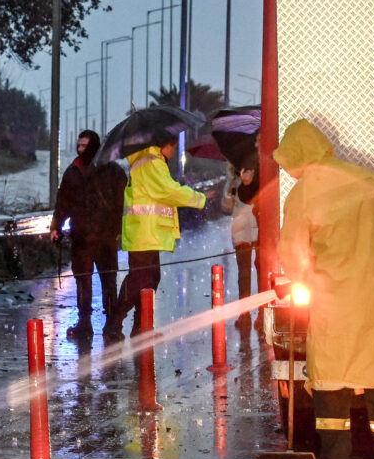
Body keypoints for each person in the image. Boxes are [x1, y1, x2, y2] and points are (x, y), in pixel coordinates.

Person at [274, 119, 374, 459]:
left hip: (335, 299)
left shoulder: (306, 192)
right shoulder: (368, 178)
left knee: (331, 382)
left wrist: (300, 279)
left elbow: (293, 251)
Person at [102, 132, 207, 342]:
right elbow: (169, 191)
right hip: (144, 232)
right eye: (174, 148)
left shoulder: (148, 161)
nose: (174, 152)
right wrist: (199, 198)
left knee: (147, 280)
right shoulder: (152, 163)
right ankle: (116, 322)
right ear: (166, 145)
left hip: (145, 232)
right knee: (139, 281)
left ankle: (141, 326)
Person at [50, 130, 127, 340]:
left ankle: (111, 323)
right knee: (83, 281)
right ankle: (85, 323)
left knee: (108, 281)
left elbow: (122, 202)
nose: (81, 149)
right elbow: (62, 203)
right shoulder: (72, 172)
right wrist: (56, 226)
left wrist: (118, 228)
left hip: (105, 238)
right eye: (79, 145)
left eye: (85, 146)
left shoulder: (112, 171)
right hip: (81, 237)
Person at [220, 155, 260, 326]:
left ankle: (264, 312)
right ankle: (245, 314)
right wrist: (231, 191)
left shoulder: (259, 177)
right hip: (240, 231)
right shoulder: (233, 180)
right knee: (243, 273)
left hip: (260, 227)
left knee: (262, 269)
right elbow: (226, 207)